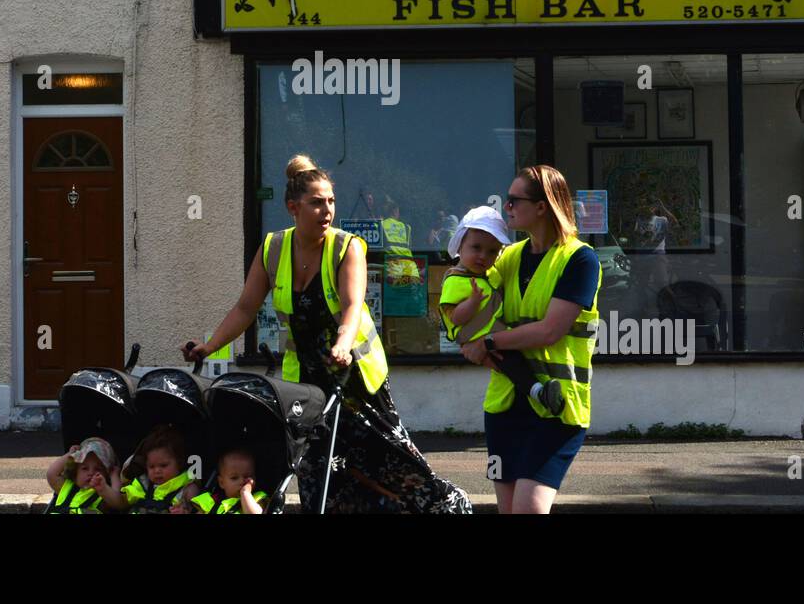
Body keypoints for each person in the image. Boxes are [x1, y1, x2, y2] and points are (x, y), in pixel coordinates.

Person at [183, 153, 471, 513]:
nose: (327, 210)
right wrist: (209, 346)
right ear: (293, 207)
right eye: (316, 203)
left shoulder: (346, 247)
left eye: (331, 201)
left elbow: (352, 306)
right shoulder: (273, 249)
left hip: (354, 377)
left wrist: (343, 344)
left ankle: (448, 506)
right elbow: (245, 308)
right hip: (306, 385)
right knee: (318, 475)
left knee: (396, 464)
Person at [462, 166, 602, 515]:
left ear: (542, 207)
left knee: (528, 509)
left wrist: (489, 342)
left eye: (513, 200)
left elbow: (550, 330)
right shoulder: (508, 257)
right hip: (506, 404)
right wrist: (464, 332)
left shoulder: (580, 259)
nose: (506, 207)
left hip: (557, 406)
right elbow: (471, 293)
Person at [439, 206, 566, 416]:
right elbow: (455, 317)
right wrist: (472, 301)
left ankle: (539, 392)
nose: (482, 256)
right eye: (476, 248)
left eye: (491, 251)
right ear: (460, 245)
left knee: (515, 364)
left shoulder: (488, 275)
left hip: (494, 335)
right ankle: (539, 393)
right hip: (480, 337)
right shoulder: (455, 280)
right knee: (513, 365)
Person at [112, 425, 199, 514]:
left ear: (179, 463)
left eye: (163, 465)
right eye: (151, 466)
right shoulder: (143, 484)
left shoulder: (187, 488)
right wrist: (103, 489)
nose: (157, 471)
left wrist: (184, 511)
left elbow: (199, 510)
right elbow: (120, 503)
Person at [45, 437, 120, 514]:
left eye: (98, 469)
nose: (91, 473)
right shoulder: (66, 487)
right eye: (85, 468)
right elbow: (51, 474)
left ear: (106, 475)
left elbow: (117, 502)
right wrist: (70, 455)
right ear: (75, 473)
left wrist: (114, 477)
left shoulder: (103, 494)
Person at [190, 448, 268, 514]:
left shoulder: (256, 499)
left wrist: (245, 493)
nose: (242, 481)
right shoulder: (212, 501)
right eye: (234, 478)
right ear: (222, 482)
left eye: (247, 477)